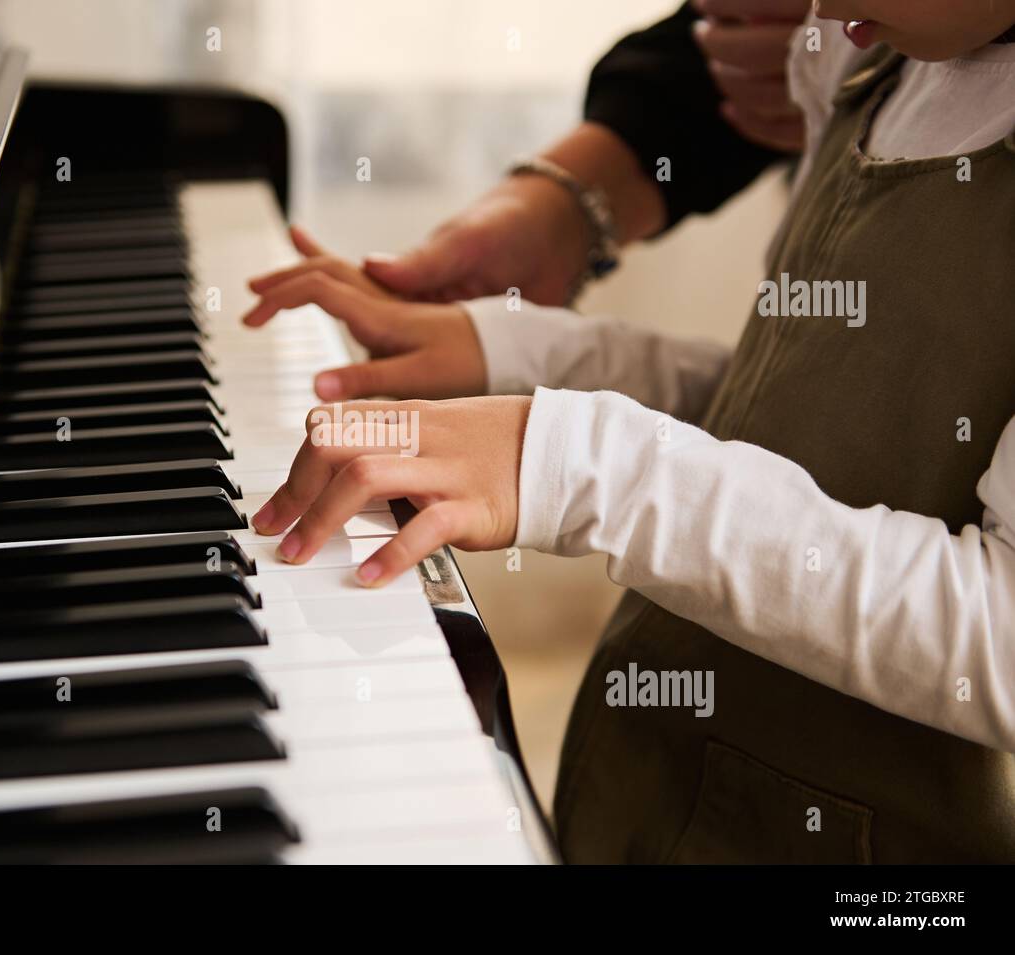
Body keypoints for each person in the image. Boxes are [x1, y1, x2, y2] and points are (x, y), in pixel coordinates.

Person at [243, 0, 1015, 863]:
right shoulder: (874, 60)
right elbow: (796, 412)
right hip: (661, 795)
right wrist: (506, 352)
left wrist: (583, 466)